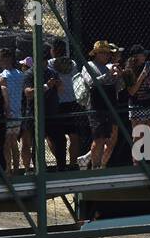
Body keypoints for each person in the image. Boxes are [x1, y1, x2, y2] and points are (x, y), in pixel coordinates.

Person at [78, 40, 122, 169]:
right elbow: (91, 82)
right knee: (99, 139)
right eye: (103, 53)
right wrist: (107, 75)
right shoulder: (88, 66)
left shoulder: (110, 66)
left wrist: (118, 77)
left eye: (108, 53)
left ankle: (99, 165)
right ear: (96, 53)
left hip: (110, 105)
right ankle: (95, 167)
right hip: (96, 106)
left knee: (110, 138)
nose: (107, 55)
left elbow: (119, 88)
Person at [45, 39, 81, 168]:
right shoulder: (73, 64)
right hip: (72, 102)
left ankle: (62, 163)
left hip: (57, 104)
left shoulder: (49, 64)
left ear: (53, 51)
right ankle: (72, 164)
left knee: (53, 136)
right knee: (74, 136)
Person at [123, 44, 150, 159]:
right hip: (137, 106)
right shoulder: (128, 71)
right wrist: (142, 75)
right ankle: (136, 163)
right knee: (139, 137)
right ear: (135, 56)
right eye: (142, 54)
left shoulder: (147, 68)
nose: (144, 57)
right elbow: (132, 92)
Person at [0, 47, 25, 172]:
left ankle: (8, 169)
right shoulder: (20, 74)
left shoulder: (2, 77)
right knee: (14, 142)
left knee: (6, 144)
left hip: (8, 113)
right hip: (18, 112)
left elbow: (2, 96)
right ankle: (16, 168)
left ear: (4, 60)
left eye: (0, 60)